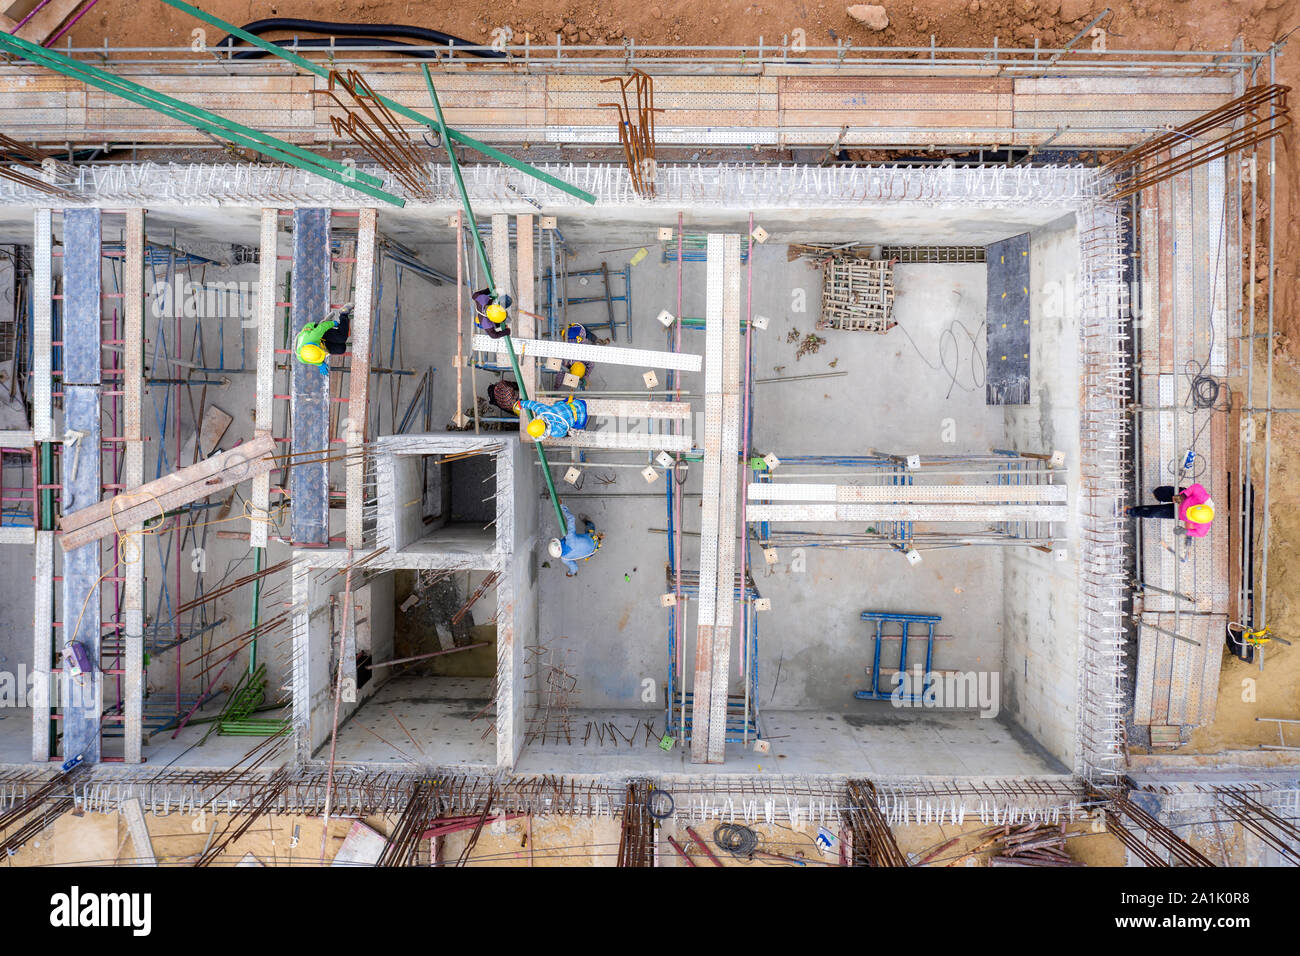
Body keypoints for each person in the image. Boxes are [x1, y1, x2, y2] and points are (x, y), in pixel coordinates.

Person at [1128, 483, 1215, 537]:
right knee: (1160, 493)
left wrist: (1184, 531)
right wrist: (1183, 496)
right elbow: (1196, 487)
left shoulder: (1204, 524)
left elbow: (1200, 534)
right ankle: (1157, 494)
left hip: (1178, 513)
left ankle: (1131, 511)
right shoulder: (1203, 498)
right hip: (1183, 498)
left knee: (1155, 512)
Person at [549, 503, 603, 576]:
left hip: (592, 552)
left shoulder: (564, 559)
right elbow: (571, 518)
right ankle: (589, 522)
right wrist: (561, 505)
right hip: (592, 540)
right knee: (590, 529)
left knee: (589, 545)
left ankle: (599, 539)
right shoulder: (570, 538)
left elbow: (575, 568)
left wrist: (570, 573)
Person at [295, 307, 351, 376]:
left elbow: (323, 327)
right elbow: (312, 359)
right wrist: (320, 364)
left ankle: (343, 314)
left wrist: (333, 323)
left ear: (316, 346)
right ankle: (336, 336)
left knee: (342, 337)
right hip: (317, 341)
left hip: (316, 330)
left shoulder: (314, 335)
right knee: (341, 349)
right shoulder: (301, 358)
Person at [514, 396, 588, 440]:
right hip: (577, 404)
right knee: (557, 404)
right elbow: (533, 405)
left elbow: (564, 434)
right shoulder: (543, 411)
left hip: (581, 417)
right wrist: (521, 404)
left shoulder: (555, 432)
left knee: (573, 430)